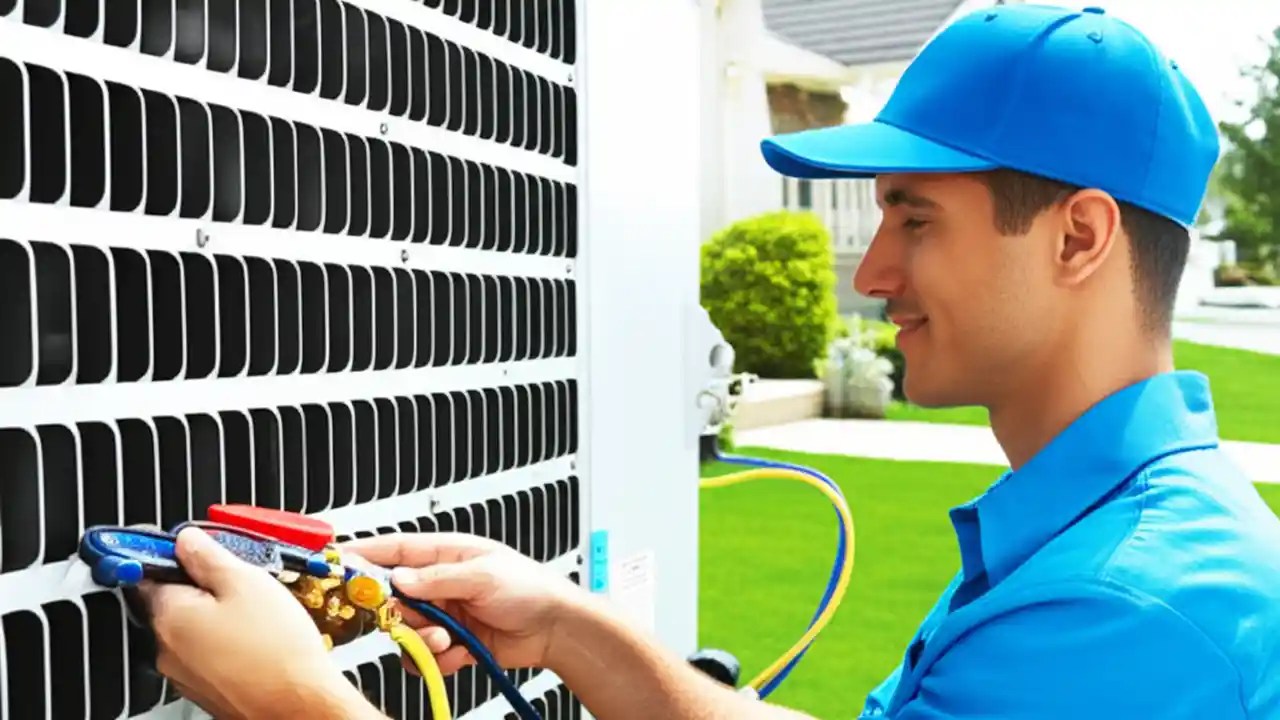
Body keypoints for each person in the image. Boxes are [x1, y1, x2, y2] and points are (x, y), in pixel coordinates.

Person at [139, 4, 1280, 718]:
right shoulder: (1118, 541)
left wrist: (292, 702)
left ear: (1078, 238)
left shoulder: (1124, 613)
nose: (873, 270)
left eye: (915, 217)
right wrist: (571, 629)